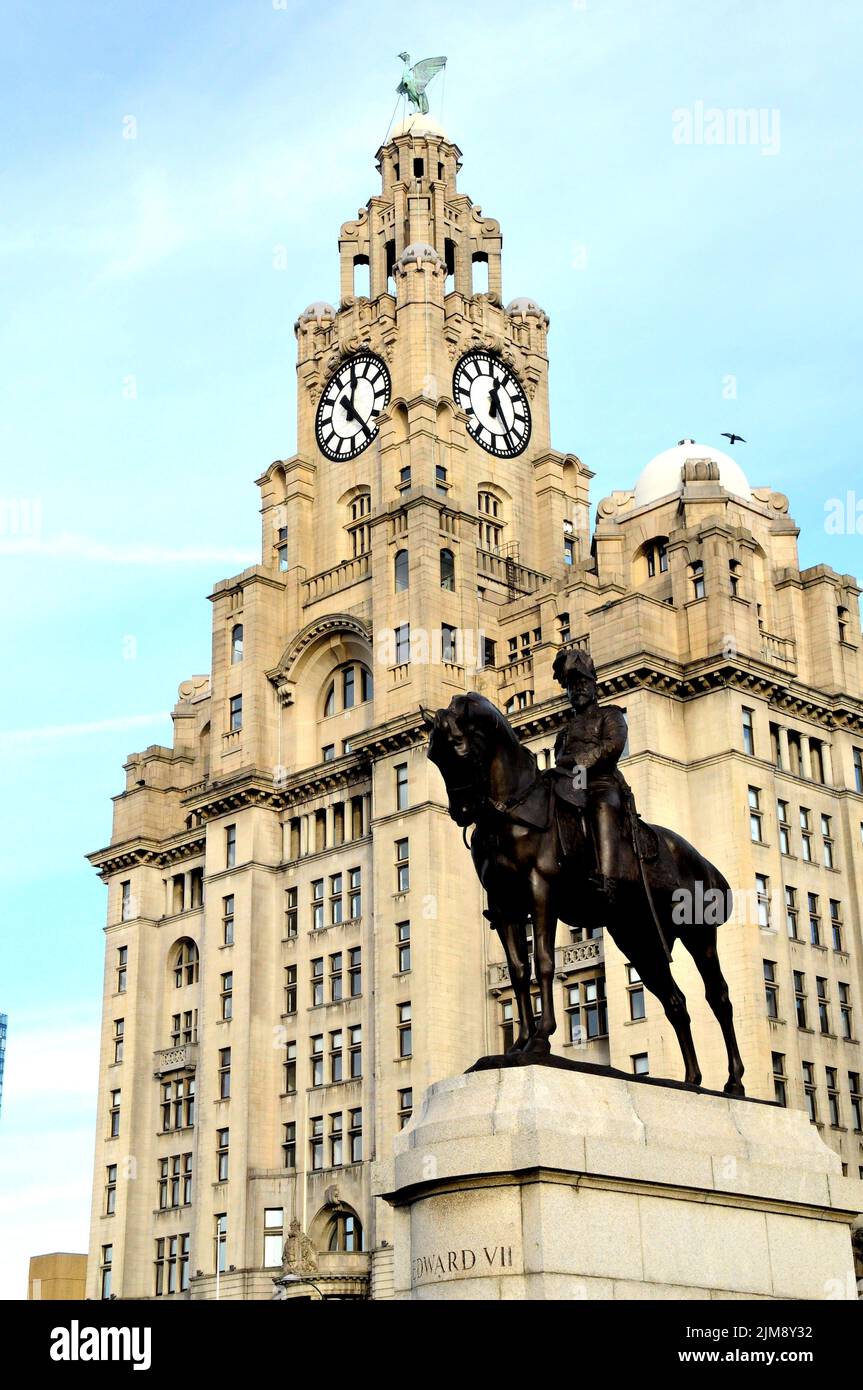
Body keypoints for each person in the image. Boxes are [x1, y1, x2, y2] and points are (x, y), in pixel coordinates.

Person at [551, 648, 632, 904]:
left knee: (601, 806)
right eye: (573, 686)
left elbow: (613, 745)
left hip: (602, 781)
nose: (578, 690)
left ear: (594, 685)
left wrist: (581, 760)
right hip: (572, 782)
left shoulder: (610, 714)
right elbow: (560, 759)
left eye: (583, 684)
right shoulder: (563, 732)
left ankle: (607, 877)